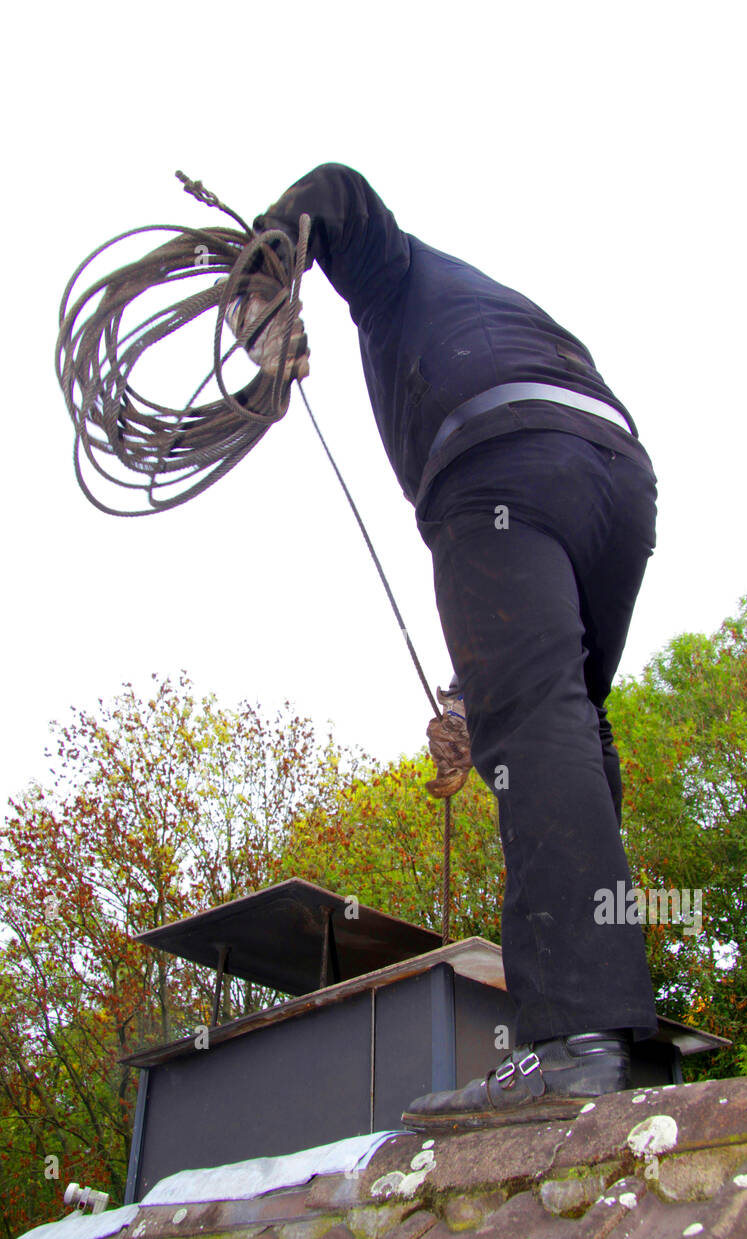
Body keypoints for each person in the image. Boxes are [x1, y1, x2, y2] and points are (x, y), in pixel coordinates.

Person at [241, 163, 659, 1129]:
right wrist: (475, 705)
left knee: (538, 727)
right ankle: (621, 1032)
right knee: (571, 729)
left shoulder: (390, 276)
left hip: (495, 459)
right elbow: (537, 664)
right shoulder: (494, 306)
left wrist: (262, 290)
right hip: (615, 479)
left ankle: (576, 1043)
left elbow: (336, 191)